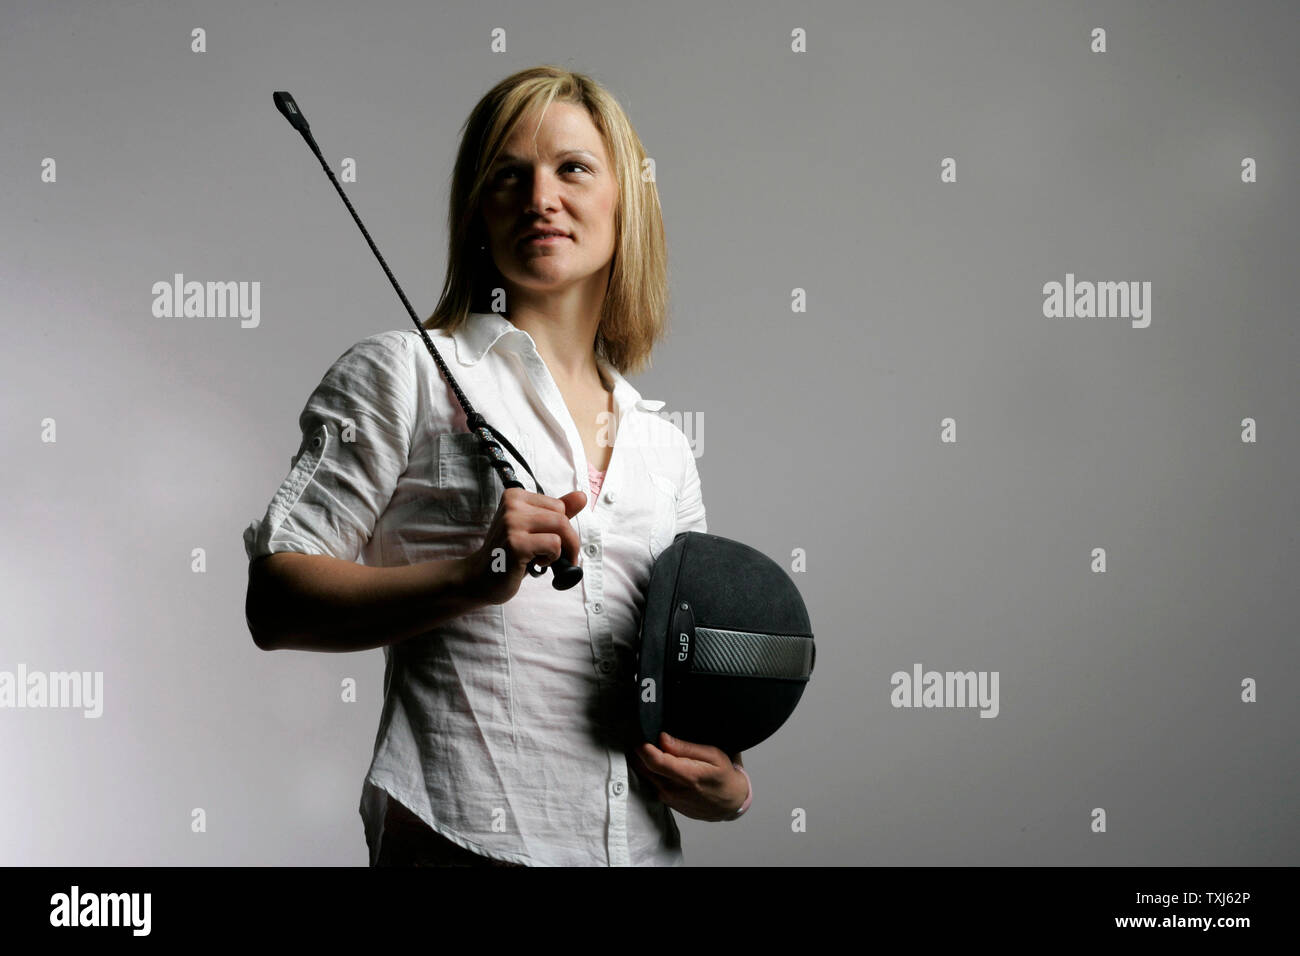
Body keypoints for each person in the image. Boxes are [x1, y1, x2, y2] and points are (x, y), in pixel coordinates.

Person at [243, 66, 751, 867]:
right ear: (479, 210)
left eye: (573, 168)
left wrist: (726, 782)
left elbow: (681, 670)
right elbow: (274, 603)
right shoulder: (401, 373)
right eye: (508, 175)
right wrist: (472, 576)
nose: (539, 197)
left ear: (626, 201)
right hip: (459, 841)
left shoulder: (664, 445)